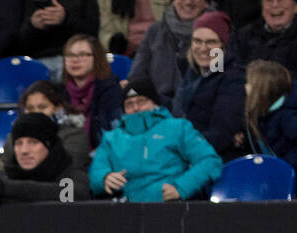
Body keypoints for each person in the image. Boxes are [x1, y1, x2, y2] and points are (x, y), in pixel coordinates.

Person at [89, 75, 223, 197]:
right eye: (129, 104)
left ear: (155, 102)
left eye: (141, 101)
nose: (136, 108)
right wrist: (104, 177)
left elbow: (209, 161)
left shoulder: (177, 128)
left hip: (168, 206)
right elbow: (95, 171)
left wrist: (181, 188)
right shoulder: (112, 138)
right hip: (127, 210)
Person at [240, 58, 297, 194]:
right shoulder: (262, 115)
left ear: (262, 88)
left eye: (249, 83)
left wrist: (285, 165)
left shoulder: (288, 115)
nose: (245, 87)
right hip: (278, 179)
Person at [173, 10, 246, 158]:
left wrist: (176, 143)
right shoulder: (193, 71)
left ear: (223, 46)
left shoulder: (233, 79)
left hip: (215, 158)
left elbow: (222, 135)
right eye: (197, 41)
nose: (203, 48)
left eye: (211, 42)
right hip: (188, 149)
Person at [229, 0, 297, 99]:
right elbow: (233, 73)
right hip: (245, 101)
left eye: (281, 0)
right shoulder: (244, 35)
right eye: (269, 0)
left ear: (296, 7)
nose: (275, 5)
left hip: (289, 105)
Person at [0, 110, 92, 198]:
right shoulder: (6, 175)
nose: (24, 151)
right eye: (19, 143)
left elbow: (74, 193)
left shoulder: (70, 172)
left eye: (33, 142)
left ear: (49, 146)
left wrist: (9, 189)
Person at [129, 0, 210, 103]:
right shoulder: (154, 31)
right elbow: (136, 75)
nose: (188, 2)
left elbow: (219, 80)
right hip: (156, 106)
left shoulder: (217, 35)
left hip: (197, 106)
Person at [7, 79, 90, 167]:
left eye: (42, 107)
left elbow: (69, 167)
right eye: (30, 108)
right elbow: (5, 167)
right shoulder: (15, 137)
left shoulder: (75, 135)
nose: (36, 112)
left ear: (58, 108)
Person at [62, 33, 125, 146]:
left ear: (96, 58)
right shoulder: (60, 92)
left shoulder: (110, 90)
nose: (75, 60)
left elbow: (115, 134)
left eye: (82, 55)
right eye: (70, 55)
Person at [19, 0, 102, 76]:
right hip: (36, 61)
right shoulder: (26, 3)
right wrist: (32, 26)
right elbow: (16, 42)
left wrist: (66, 19)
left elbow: (92, 34)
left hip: (74, 58)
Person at [99, 0, 171, 56]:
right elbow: (104, 31)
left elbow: (176, 19)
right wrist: (112, 42)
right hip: (126, 51)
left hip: (160, 48)